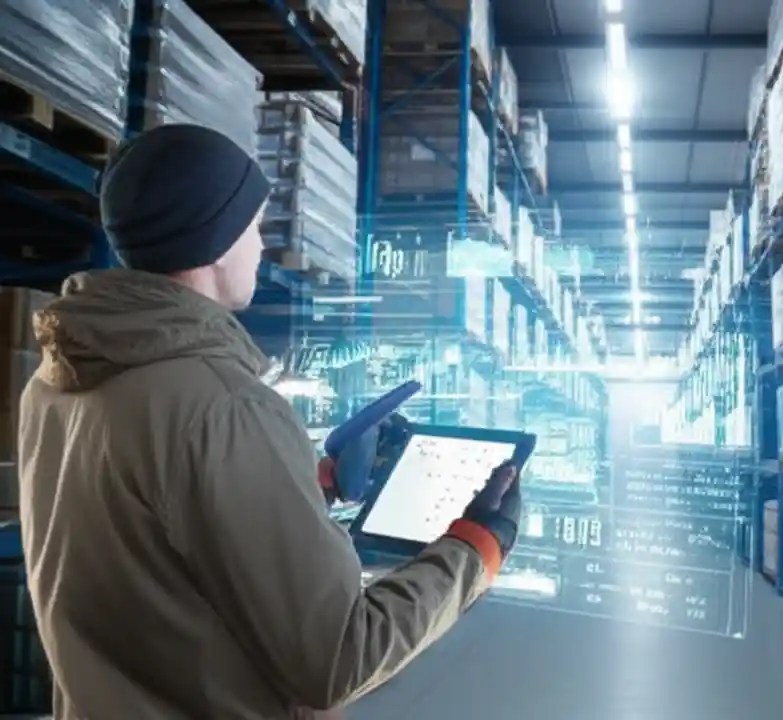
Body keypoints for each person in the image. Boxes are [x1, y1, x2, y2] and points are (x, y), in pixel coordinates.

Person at [17, 124, 522, 719]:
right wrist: (476, 546)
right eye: (252, 226)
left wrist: (311, 484)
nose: (260, 246)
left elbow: (149, 529)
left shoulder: (56, 383)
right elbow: (340, 657)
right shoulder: (226, 405)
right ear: (214, 240)